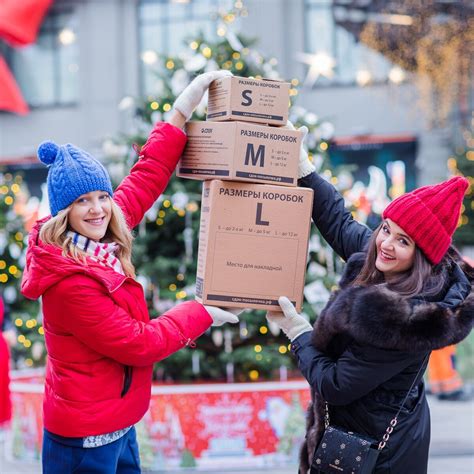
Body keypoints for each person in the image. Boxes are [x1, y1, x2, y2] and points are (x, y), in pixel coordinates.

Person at [20, 70, 239, 474]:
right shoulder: (67, 281)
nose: (98, 208)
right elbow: (137, 343)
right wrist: (201, 312)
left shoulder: (104, 238)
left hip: (119, 425)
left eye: (103, 196)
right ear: (64, 212)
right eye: (83, 201)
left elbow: (146, 175)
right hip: (83, 442)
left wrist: (180, 111)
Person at [267, 124, 473, 474]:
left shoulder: (405, 320)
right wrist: (305, 170)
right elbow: (339, 222)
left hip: (377, 454)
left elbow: (336, 385)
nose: (386, 243)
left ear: (421, 256)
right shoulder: (385, 259)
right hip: (362, 435)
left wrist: (298, 332)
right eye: (387, 228)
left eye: (404, 241)